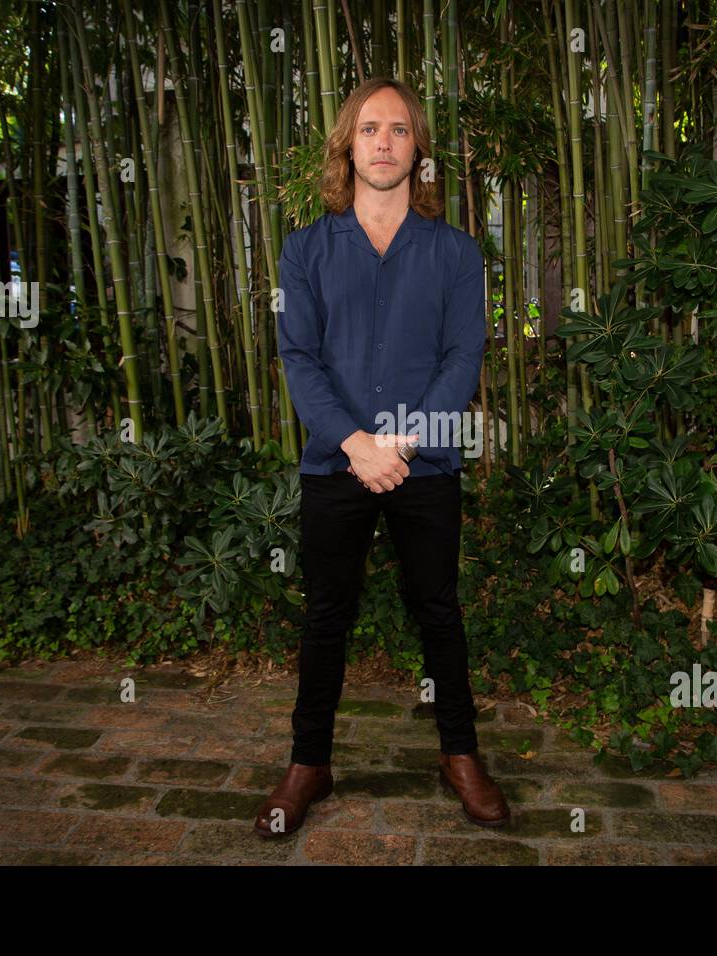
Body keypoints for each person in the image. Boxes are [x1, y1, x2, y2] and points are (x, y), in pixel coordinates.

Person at [254, 77, 509, 837]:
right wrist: (356, 443)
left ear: (417, 148)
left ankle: (459, 755)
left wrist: (400, 440)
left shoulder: (457, 253)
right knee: (326, 613)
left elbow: (464, 355)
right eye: (370, 129)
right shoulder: (305, 250)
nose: (385, 143)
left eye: (399, 130)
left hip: (423, 463)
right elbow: (298, 356)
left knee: (439, 612)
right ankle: (309, 761)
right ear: (347, 144)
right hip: (336, 463)